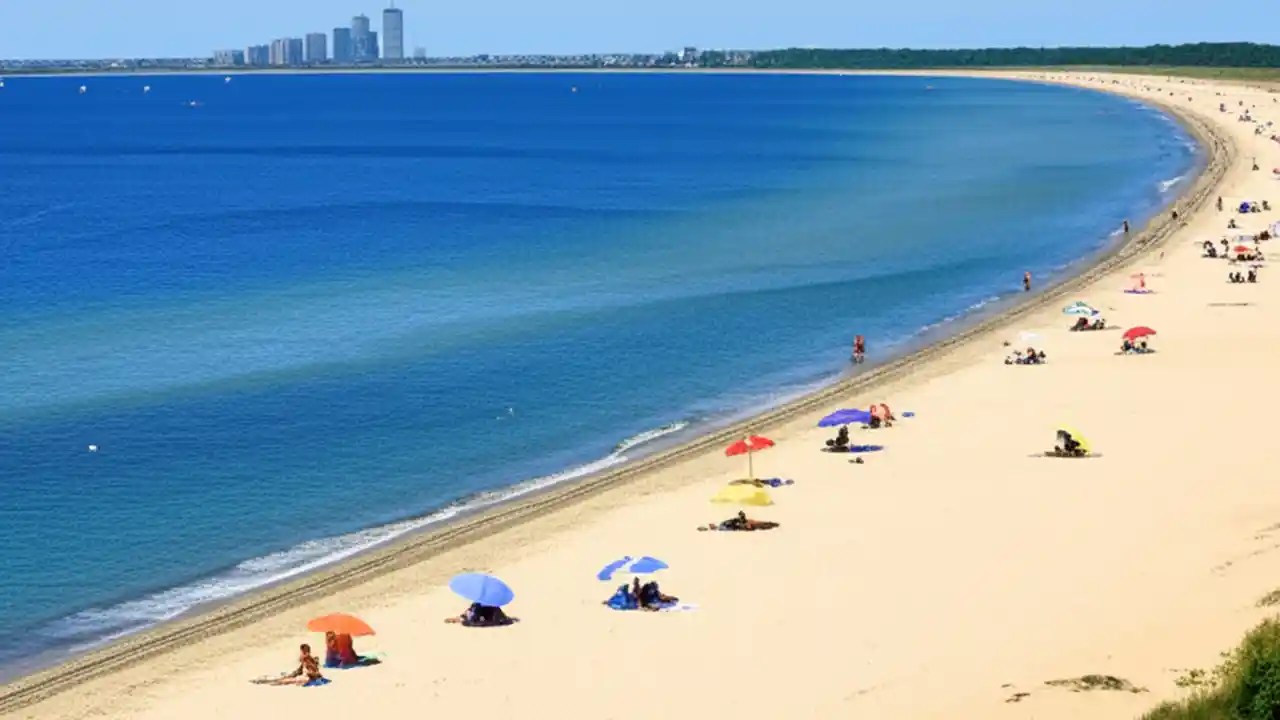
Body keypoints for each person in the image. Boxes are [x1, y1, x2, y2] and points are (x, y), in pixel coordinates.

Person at [255, 644, 325, 686]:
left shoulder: (308, 660)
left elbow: (315, 672)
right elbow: (300, 670)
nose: (300, 655)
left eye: (302, 652)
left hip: (307, 678)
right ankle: (264, 681)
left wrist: (311, 674)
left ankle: (264, 682)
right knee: (284, 679)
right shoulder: (306, 660)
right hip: (304, 677)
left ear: (305, 652)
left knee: (284, 681)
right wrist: (293, 674)